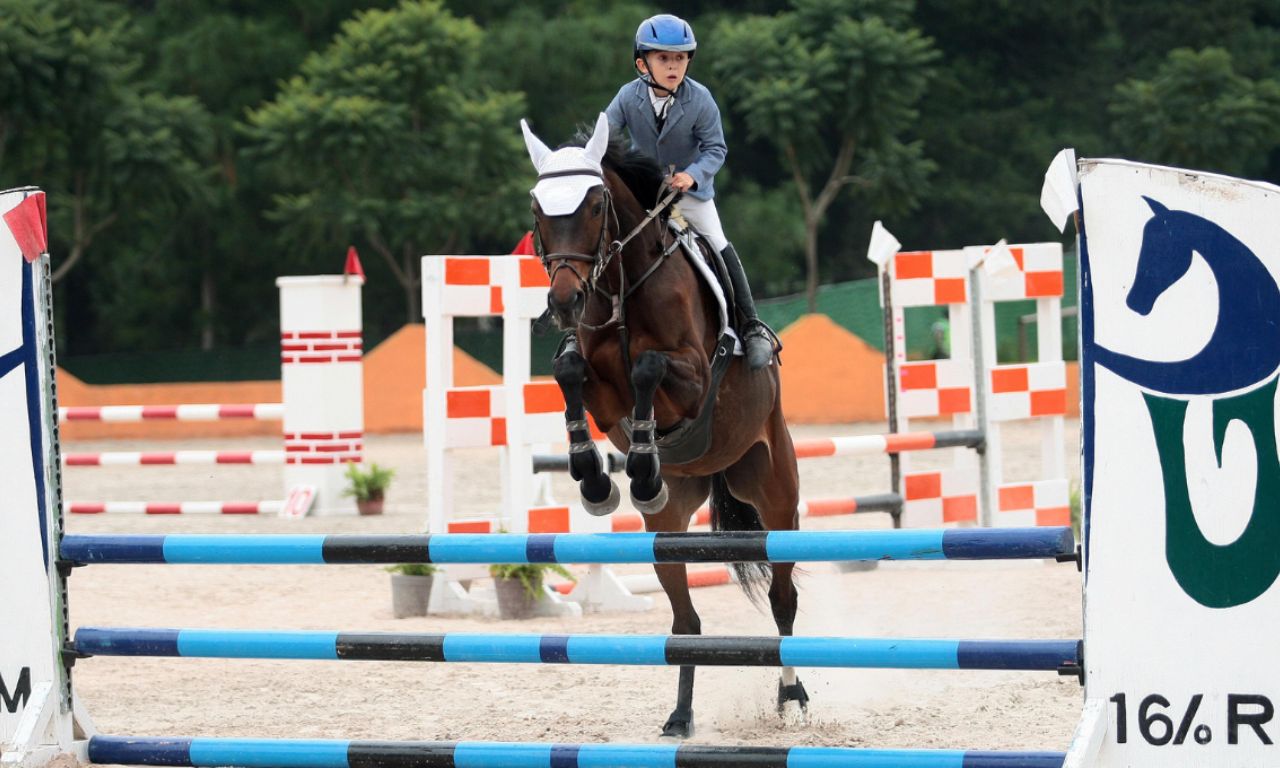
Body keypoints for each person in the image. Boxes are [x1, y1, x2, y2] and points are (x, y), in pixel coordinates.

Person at [605, 13, 776, 369]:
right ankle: (585, 328)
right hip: (646, 195)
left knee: (718, 242)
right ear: (642, 63)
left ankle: (751, 326)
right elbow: (603, 139)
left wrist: (692, 176)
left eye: (680, 58)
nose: (673, 66)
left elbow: (716, 149)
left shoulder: (700, 99)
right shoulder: (626, 97)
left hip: (691, 196)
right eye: (664, 58)